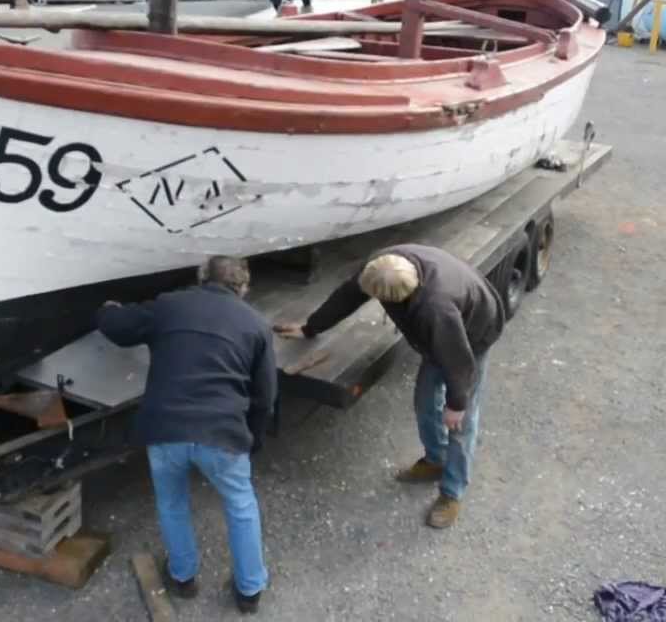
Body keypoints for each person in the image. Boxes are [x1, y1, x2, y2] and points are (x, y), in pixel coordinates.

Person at [275, 244, 504, 529]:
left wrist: (457, 404)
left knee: (460, 424)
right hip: (440, 336)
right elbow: (349, 295)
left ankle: (452, 491)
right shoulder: (381, 267)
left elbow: (458, 361)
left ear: (407, 295)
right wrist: (311, 327)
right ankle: (436, 460)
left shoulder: (436, 308)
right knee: (424, 400)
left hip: (473, 335)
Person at [97, 256, 276, 614]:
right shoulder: (257, 324)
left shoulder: (169, 305)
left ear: (200, 278)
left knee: (172, 503)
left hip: (165, 429)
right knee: (241, 506)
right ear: (243, 288)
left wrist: (106, 309)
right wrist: (253, 438)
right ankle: (249, 592)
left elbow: (118, 327)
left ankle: (183, 578)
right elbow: (265, 397)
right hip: (222, 433)